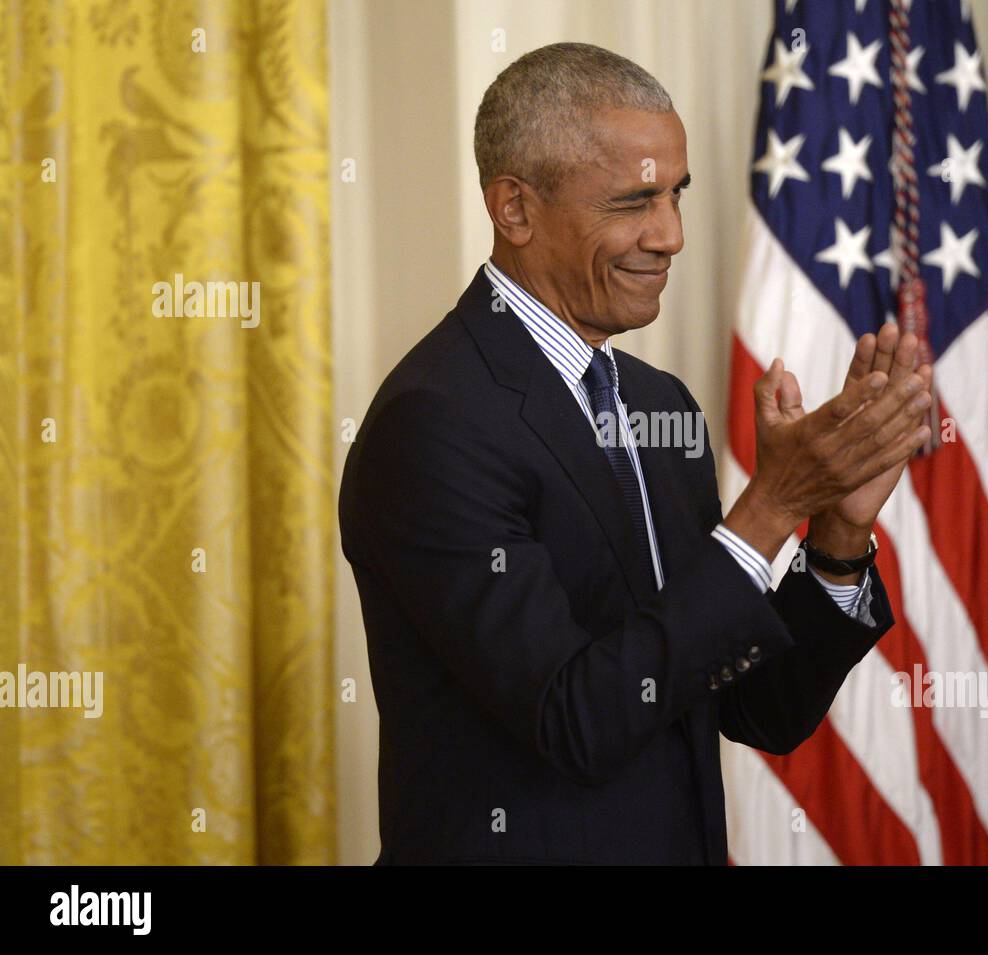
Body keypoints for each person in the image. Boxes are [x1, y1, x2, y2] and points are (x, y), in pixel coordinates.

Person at [338, 42, 934, 865]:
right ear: (515, 209)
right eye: (634, 201)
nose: (672, 236)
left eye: (677, 195)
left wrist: (833, 535)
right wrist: (770, 506)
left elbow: (754, 707)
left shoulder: (658, 406)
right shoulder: (435, 424)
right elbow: (576, 719)